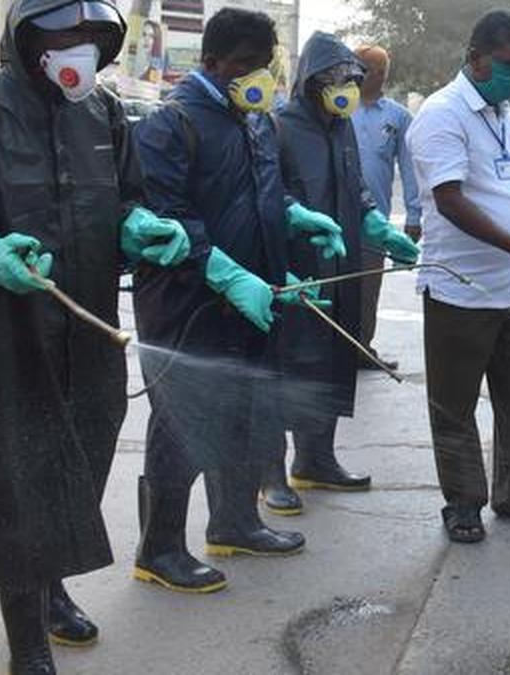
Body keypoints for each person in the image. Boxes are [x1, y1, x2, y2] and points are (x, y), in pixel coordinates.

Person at [0, 0, 189, 671]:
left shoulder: (102, 114)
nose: (80, 48)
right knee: (14, 483)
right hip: (3, 339)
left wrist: (140, 230)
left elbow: (127, 201)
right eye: (66, 34)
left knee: (78, 465)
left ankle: (53, 586)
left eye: (92, 37)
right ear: (27, 36)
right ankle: (27, 642)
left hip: (91, 328)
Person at [133, 8, 339, 593]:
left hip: (254, 300)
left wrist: (295, 230)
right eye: (245, 66)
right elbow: (164, 217)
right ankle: (160, 548)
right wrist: (223, 272)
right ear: (212, 62)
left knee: (245, 414)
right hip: (184, 304)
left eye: (265, 66)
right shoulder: (171, 124)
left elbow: (266, 199)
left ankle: (234, 520)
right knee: (181, 423)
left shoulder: (257, 121)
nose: (258, 77)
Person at [408, 9, 510, 542]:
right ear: (474, 57)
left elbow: (508, 188)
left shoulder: (500, 111)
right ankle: (463, 503)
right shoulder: (442, 113)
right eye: (505, 64)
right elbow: (450, 201)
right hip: (461, 286)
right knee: (454, 404)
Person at [259, 32, 421, 516]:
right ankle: (271, 475)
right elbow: (268, 193)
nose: (347, 87)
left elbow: (359, 188)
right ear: (311, 82)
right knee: (285, 368)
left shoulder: (342, 126)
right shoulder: (279, 125)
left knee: (331, 361)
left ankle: (317, 459)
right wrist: (295, 219)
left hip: (342, 262)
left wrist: (377, 225)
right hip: (296, 269)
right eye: (336, 79)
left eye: (352, 79)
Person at [353, 44, 422, 371]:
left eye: (382, 71)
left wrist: (414, 214)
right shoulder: (338, 107)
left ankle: (362, 349)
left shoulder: (397, 117)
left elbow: (409, 168)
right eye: (369, 69)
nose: (377, 76)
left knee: (368, 288)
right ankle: (331, 349)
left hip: (374, 220)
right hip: (332, 216)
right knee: (333, 285)